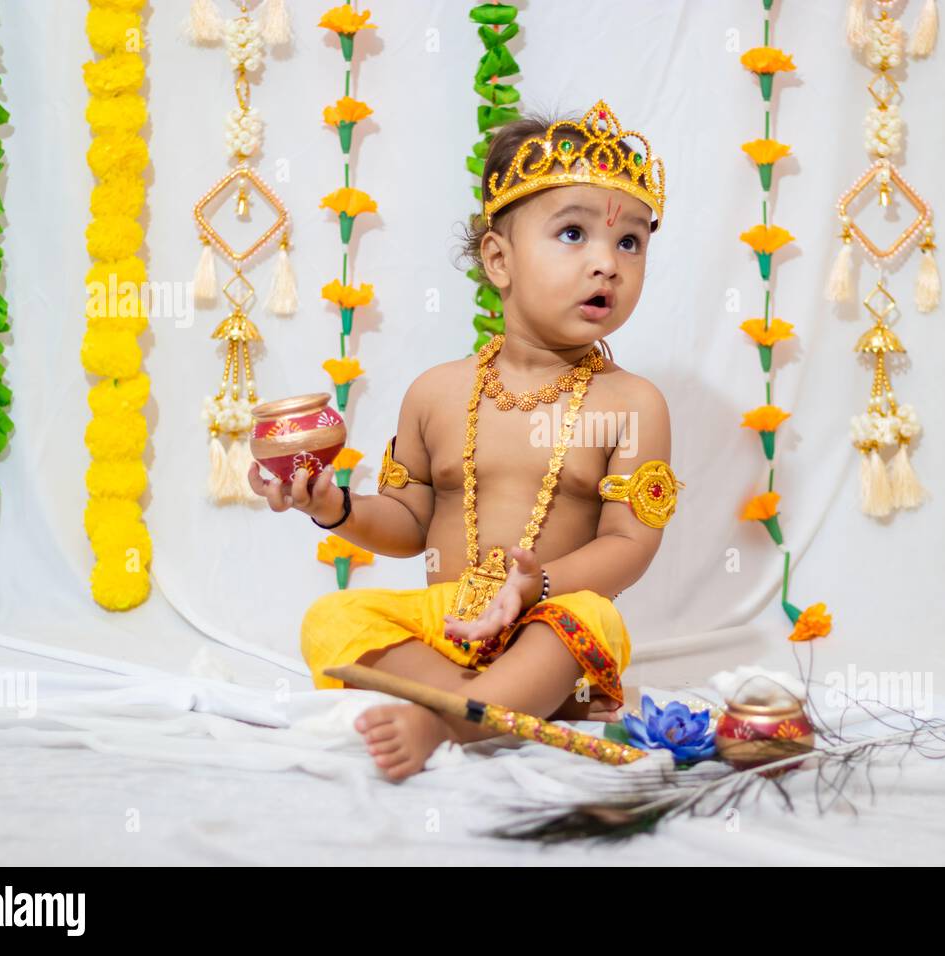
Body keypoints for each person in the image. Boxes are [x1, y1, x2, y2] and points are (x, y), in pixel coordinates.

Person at [250, 99, 682, 781]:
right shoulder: (437, 393)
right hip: (442, 624)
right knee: (334, 618)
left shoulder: (632, 404)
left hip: (546, 622)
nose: (608, 263)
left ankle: (445, 719)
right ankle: (491, 709)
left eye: (630, 242)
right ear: (499, 260)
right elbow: (407, 525)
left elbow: (631, 544)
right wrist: (333, 508)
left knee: (595, 621)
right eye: (574, 235)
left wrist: (541, 585)